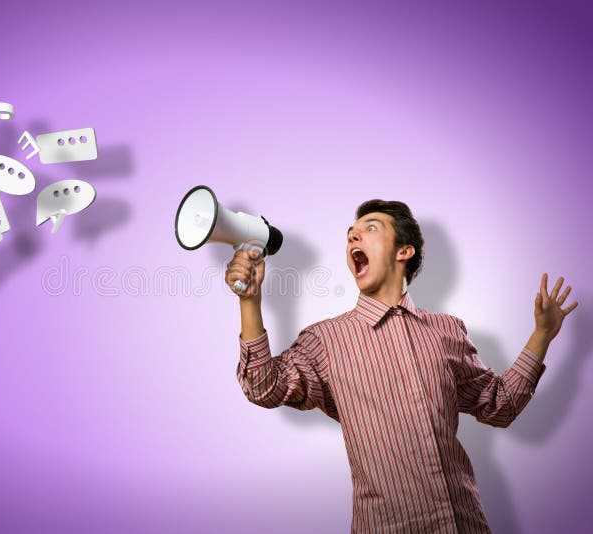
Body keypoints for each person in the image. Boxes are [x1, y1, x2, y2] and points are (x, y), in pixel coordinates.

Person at [225, 199, 578, 533]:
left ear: (403, 252)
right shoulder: (326, 341)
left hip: (464, 523)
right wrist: (250, 302)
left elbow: (500, 406)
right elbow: (263, 386)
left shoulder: (447, 330)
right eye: (350, 232)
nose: (352, 236)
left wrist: (543, 335)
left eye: (371, 227)